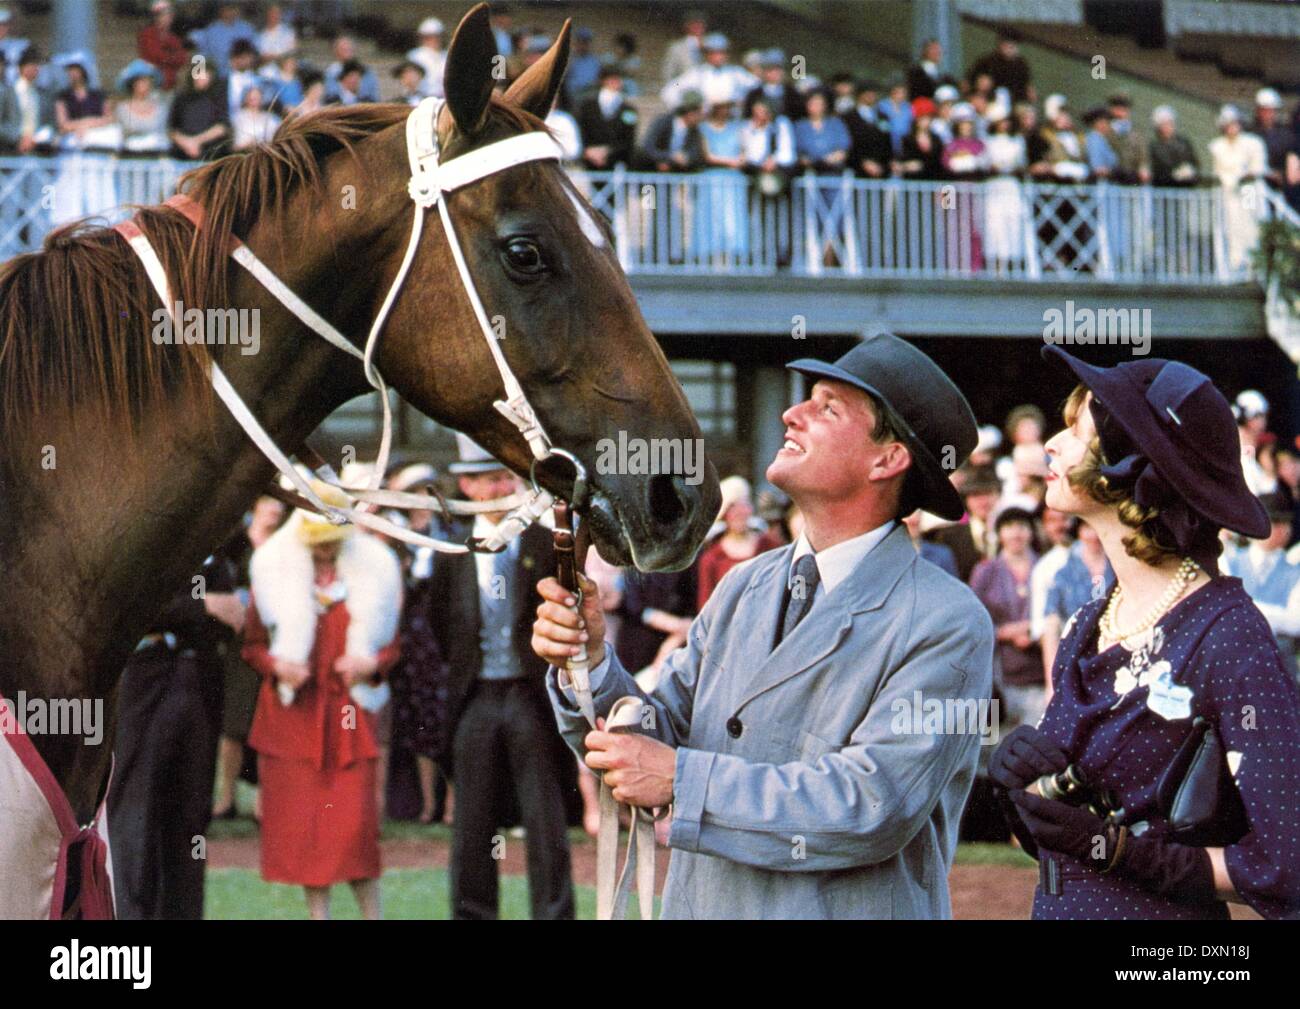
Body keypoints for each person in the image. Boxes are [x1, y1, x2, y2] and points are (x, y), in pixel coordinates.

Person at [535, 332, 995, 919]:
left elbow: (874, 805)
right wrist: (591, 662)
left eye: (827, 407)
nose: (791, 412)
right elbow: (657, 735)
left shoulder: (948, 622)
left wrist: (683, 780)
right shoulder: (743, 585)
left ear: (888, 459)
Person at [991, 346, 1300, 920]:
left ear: (1136, 463)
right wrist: (1027, 792)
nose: (1051, 446)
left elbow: (1287, 868)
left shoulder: (1229, 639)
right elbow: (1060, 849)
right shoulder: (1091, 621)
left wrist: (1121, 852)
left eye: (1076, 432)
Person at [427, 436, 576, 919]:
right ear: (468, 486)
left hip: (529, 696)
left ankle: (554, 912)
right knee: (472, 823)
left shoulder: (539, 541)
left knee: (544, 819)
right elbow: (439, 622)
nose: (503, 485)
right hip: (476, 697)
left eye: (507, 476)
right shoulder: (451, 547)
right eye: (490, 477)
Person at [243, 484, 402, 921]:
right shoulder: (275, 579)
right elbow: (252, 646)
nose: (326, 555)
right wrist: (278, 666)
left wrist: (370, 662)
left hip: (349, 718)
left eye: (334, 546)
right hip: (295, 720)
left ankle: (374, 916)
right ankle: (320, 918)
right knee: (309, 834)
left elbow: (392, 649)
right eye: (319, 548)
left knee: (354, 830)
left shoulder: (372, 577)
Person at [109, 551, 244, 919]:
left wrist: (194, 613)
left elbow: (230, 617)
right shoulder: (144, 546)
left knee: (190, 823)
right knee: (136, 816)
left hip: (198, 686)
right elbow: (128, 606)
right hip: (145, 686)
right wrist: (201, 608)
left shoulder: (213, 560)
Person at [972, 507, 1044, 728]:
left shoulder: (1045, 565)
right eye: (1009, 528)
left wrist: (1035, 629)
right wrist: (1004, 632)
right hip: (1000, 672)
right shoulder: (986, 570)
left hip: (1040, 672)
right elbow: (973, 620)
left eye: (1022, 527)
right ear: (999, 533)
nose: (1016, 534)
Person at [1222, 492, 1300, 682]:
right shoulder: (1229, 561)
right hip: (1231, 660)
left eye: (1283, 523)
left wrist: (1247, 608)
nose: (1280, 530)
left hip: (1277, 665)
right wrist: (1272, 614)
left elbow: (1296, 622)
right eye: (1273, 522)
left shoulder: (1295, 571)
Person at [696, 477, 783, 608]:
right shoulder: (711, 558)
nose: (739, 512)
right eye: (732, 507)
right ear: (723, 514)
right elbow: (706, 607)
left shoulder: (771, 545)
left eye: (744, 504)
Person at [1209, 104, 1267, 273]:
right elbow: (1219, 171)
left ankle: (1252, 266)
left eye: (1234, 123)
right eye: (1228, 123)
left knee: (1250, 226)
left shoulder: (1252, 142)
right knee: (1231, 227)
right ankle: (1234, 266)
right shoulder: (1218, 146)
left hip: (1248, 190)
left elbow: (1257, 168)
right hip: (1229, 193)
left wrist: (1247, 174)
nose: (1232, 127)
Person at [930, 465, 1001, 582]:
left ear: (998, 495)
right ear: (967, 500)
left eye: (988, 493)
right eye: (976, 495)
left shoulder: (1011, 532)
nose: (983, 501)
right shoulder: (948, 536)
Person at [661, 32, 755, 114]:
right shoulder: (697, 74)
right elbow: (669, 91)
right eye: (713, 53)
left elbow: (758, 87)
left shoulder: (737, 73)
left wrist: (745, 102)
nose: (717, 57)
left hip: (732, 121)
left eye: (721, 53)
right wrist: (688, 108)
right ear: (706, 54)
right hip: (705, 120)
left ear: (727, 54)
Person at [574, 64, 637, 169]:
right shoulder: (586, 106)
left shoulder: (628, 110)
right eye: (612, 79)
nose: (616, 83)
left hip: (615, 162)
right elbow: (579, 129)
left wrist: (607, 152)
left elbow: (628, 139)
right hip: (586, 159)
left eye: (618, 79)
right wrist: (587, 151)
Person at [167, 61, 227, 159]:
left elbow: (222, 127)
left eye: (205, 74)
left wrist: (196, 141)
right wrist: (187, 143)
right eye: (198, 73)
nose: (201, 78)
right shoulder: (181, 98)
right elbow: (172, 129)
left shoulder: (218, 98)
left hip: (211, 154)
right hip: (182, 154)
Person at [0, 46, 53, 153]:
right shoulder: (8, 92)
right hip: (11, 148)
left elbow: (49, 123)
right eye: (30, 65)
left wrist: (36, 139)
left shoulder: (41, 94)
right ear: (20, 68)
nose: (34, 69)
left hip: (37, 148)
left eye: (36, 66)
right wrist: (19, 138)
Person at [639, 88, 705, 171]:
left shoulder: (695, 131)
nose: (701, 116)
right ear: (690, 112)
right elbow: (648, 148)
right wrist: (670, 157)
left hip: (678, 175)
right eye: (699, 112)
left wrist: (684, 159)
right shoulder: (662, 122)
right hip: (651, 173)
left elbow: (695, 154)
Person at [968, 29, 1035, 105]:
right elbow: (969, 82)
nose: (1010, 49)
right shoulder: (987, 61)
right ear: (1000, 45)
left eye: (1013, 46)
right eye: (1007, 45)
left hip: (1014, 103)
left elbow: (1027, 87)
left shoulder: (1021, 65)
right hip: (990, 102)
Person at [842, 80, 892, 178]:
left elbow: (887, 142)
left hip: (881, 170)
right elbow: (847, 145)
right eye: (868, 93)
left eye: (874, 93)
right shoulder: (848, 117)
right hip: (856, 170)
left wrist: (886, 164)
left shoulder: (883, 117)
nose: (871, 96)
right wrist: (863, 162)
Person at [137, 1, 187, 91]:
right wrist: (172, 58)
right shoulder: (147, 33)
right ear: (156, 17)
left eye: (169, 15)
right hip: (151, 82)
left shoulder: (173, 37)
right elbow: (155, 55)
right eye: (164, 15)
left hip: (170, 83)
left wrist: (169, 58)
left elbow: (182, 58)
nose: (168, 18)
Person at [196, 1, 257, 76]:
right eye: (227, 8)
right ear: (221, 10)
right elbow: (202, 55)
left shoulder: (247, 28)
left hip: (244, 75)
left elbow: (254, 53)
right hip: (219, 75)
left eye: (233, 8)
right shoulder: (211, 31)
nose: (230, 11)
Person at [743, 48, 802, 122]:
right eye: (770, 69)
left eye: (778, 69)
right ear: (764, 71)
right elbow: (748, 118)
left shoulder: (792, 93)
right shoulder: (754, 94)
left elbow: (798, 117)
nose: (775, 73)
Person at [324, 36, 379, 103]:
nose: (347, 53)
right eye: (343, 50)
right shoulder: (330, 72)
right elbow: (331, 93)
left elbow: (371, 94)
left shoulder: (366, 71)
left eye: (349, 49)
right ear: (336, 52)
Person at [661, 8, 706, 87]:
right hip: (684, 89)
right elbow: (668, 72)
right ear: (686, 26)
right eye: (693, 24)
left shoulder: (711, 45)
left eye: (700, 24)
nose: (698, 27)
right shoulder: (676, 47)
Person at [406, 18, 446, 99]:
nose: (434, 40)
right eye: (429, 37)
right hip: (422, 99)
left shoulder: (446, 55)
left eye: (437, 36)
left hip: (444, 100)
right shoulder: (415, 55)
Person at [231, 83, 279, 149]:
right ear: (245, 98)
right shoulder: (239, 117)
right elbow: (237, 145)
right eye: (251, 96)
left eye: (257, 96)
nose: (253, 98)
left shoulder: (270, 118)